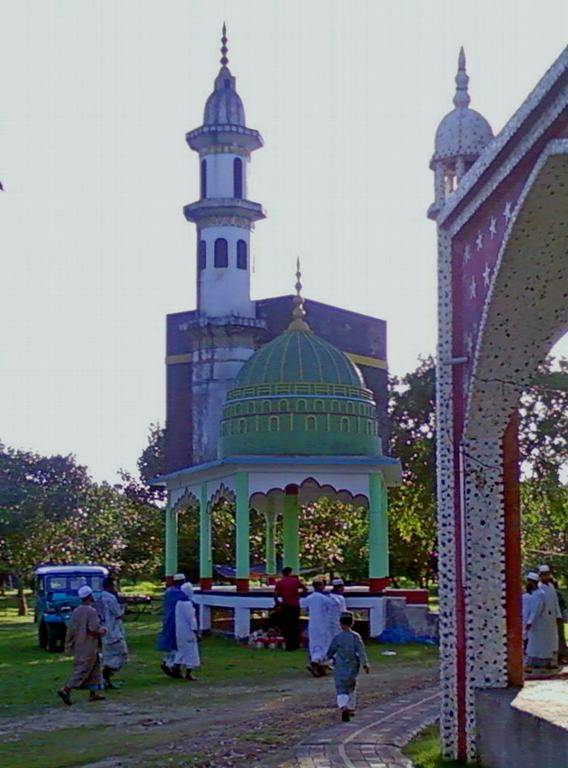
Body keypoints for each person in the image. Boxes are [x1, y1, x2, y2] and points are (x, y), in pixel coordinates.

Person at [57, 585, 107, 705]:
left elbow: (71, 629)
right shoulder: (91, 611)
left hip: (78, 644)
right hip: (88, 643)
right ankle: (66, 689)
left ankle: (93, 692)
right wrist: (103, 631)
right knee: (82, 669)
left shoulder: (76, 611)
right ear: (90, 596)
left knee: (94, 667)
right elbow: (93, 628)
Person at [326, 612, 369, 722]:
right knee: (351, 685)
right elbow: (361, 651)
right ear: (352, 623)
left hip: (340, 665)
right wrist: (365, 664)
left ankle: (343, 706)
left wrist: (327, 658)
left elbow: (331, 651)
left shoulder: (338, 637)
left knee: (340, 687)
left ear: (340, 624)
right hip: (353, 664)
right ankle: (351, 708)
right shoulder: (355, 636)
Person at [157, 573, 189, 678]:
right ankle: (172, 665)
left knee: (172, 645)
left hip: (167, 619)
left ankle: (171, 664)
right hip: (177, 621)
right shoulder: (180, 593)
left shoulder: (168, 591)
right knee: (179, 645)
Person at [99, 576, 128, 689]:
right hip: (114, 631)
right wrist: (124, 607)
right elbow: (118, 614)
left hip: (104, 631)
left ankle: (106, 679)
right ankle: (107, 673)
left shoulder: (100, 597)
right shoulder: (111, 598)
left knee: (108, 656)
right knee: (123, 654)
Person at [300, 578, 333, 677]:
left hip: (313, 624)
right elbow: (331, 610)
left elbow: (302, 605)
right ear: (320, 586)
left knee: (314, 643)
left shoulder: (309, 598)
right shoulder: (325, 599)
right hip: (323, 624)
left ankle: (315, 659)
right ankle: (320, 662)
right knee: (324, 643)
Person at [274, 566, 306, 651]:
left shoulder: (280, 582)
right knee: (295, 625)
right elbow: (305, 588)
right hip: (295, 605)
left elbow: (275, 594)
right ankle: (296, 644)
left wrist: (278, 603)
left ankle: (288, 645)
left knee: (286, 626)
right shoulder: (295, 581)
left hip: (285, 606)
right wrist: (298, 595)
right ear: (290, 573)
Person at [174, 582, 201, 681]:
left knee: (181, 650)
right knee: (191, 652)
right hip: (188, 631)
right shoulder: (188, 604)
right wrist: (196, 631)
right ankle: (189, 673)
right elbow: (192, 619)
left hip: (179, 630)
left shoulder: (178, 603)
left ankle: (176, 667)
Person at [538, 564, 562, 667]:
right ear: (540, 575)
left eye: (547, 574)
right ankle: (544, 662)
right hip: (543, 618)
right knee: (544, 640)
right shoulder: (539, 587)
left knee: (553, 640)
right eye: (544, 575)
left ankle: (553, 661)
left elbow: (555, 602)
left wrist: (558, 615)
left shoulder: (551, 586)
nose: (546, 577)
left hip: (552, 617)